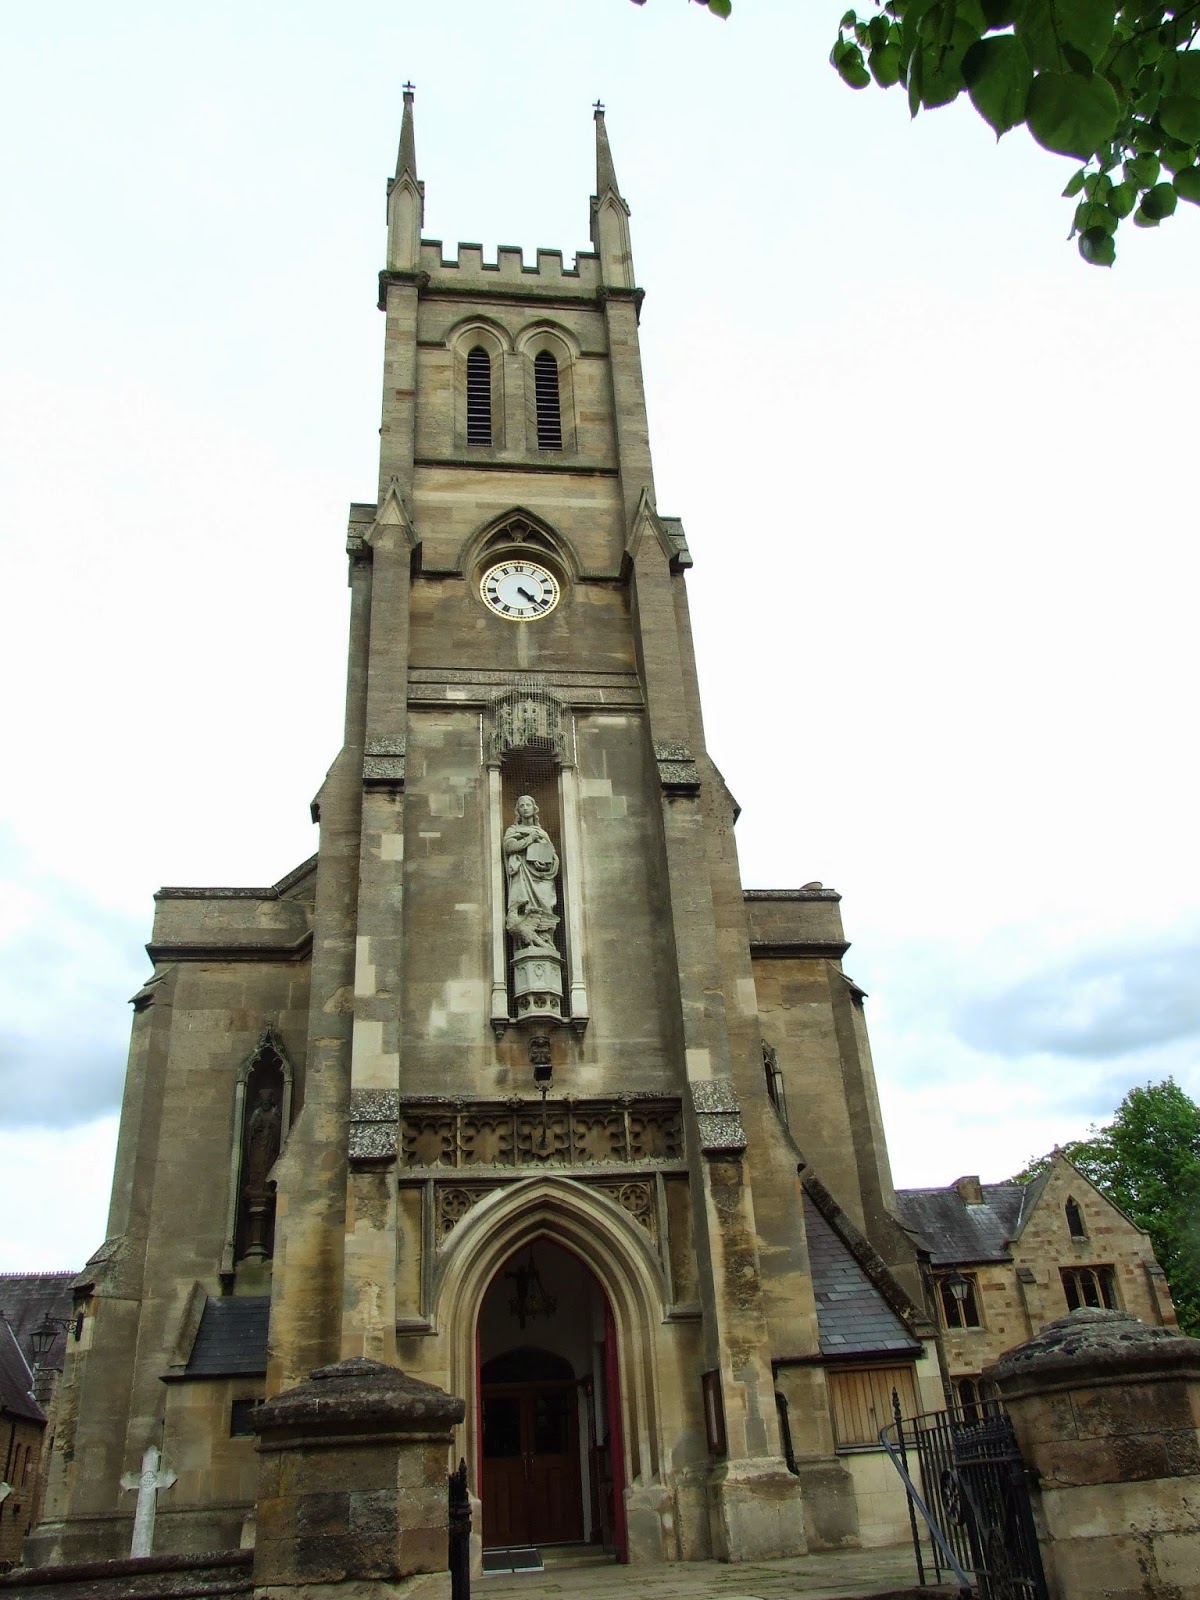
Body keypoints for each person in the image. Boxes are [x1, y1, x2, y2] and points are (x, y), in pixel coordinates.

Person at [502, 794, 560, 952]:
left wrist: (546, 864)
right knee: (522, 909)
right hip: (522, 875)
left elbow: (552, 855)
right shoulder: (513, 830)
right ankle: (523, 947)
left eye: (528, 805)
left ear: (534, 809)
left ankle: (546, 941)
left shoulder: (542, 833)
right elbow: (509, 847)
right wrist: (529, 839)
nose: (525, 808)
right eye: (522, 805)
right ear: (518, 811)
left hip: (541, 878)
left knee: (545, 906)